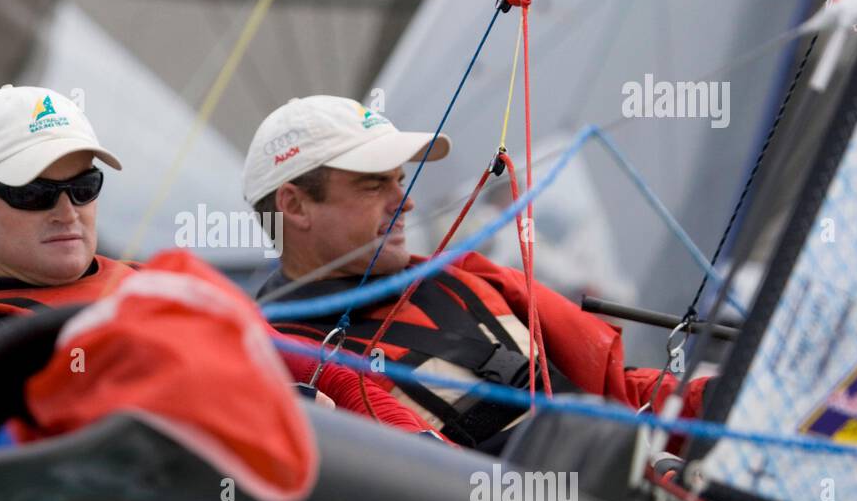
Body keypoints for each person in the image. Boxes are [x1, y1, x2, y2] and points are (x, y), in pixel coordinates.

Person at [0, 84, 435, 501]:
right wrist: (210, 434)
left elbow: (331, 373)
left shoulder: (153, 284)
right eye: (34, 194)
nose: (67, 211)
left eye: (85, 186)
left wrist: (427, 457)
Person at [244, 95, 711, 454]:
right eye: (373, 184)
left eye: (400, 180)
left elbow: (620, 391)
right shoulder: (279, 366)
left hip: (641, 499)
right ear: (295, 205)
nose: (404, 202)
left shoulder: (474, 278)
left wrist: (715, 402)